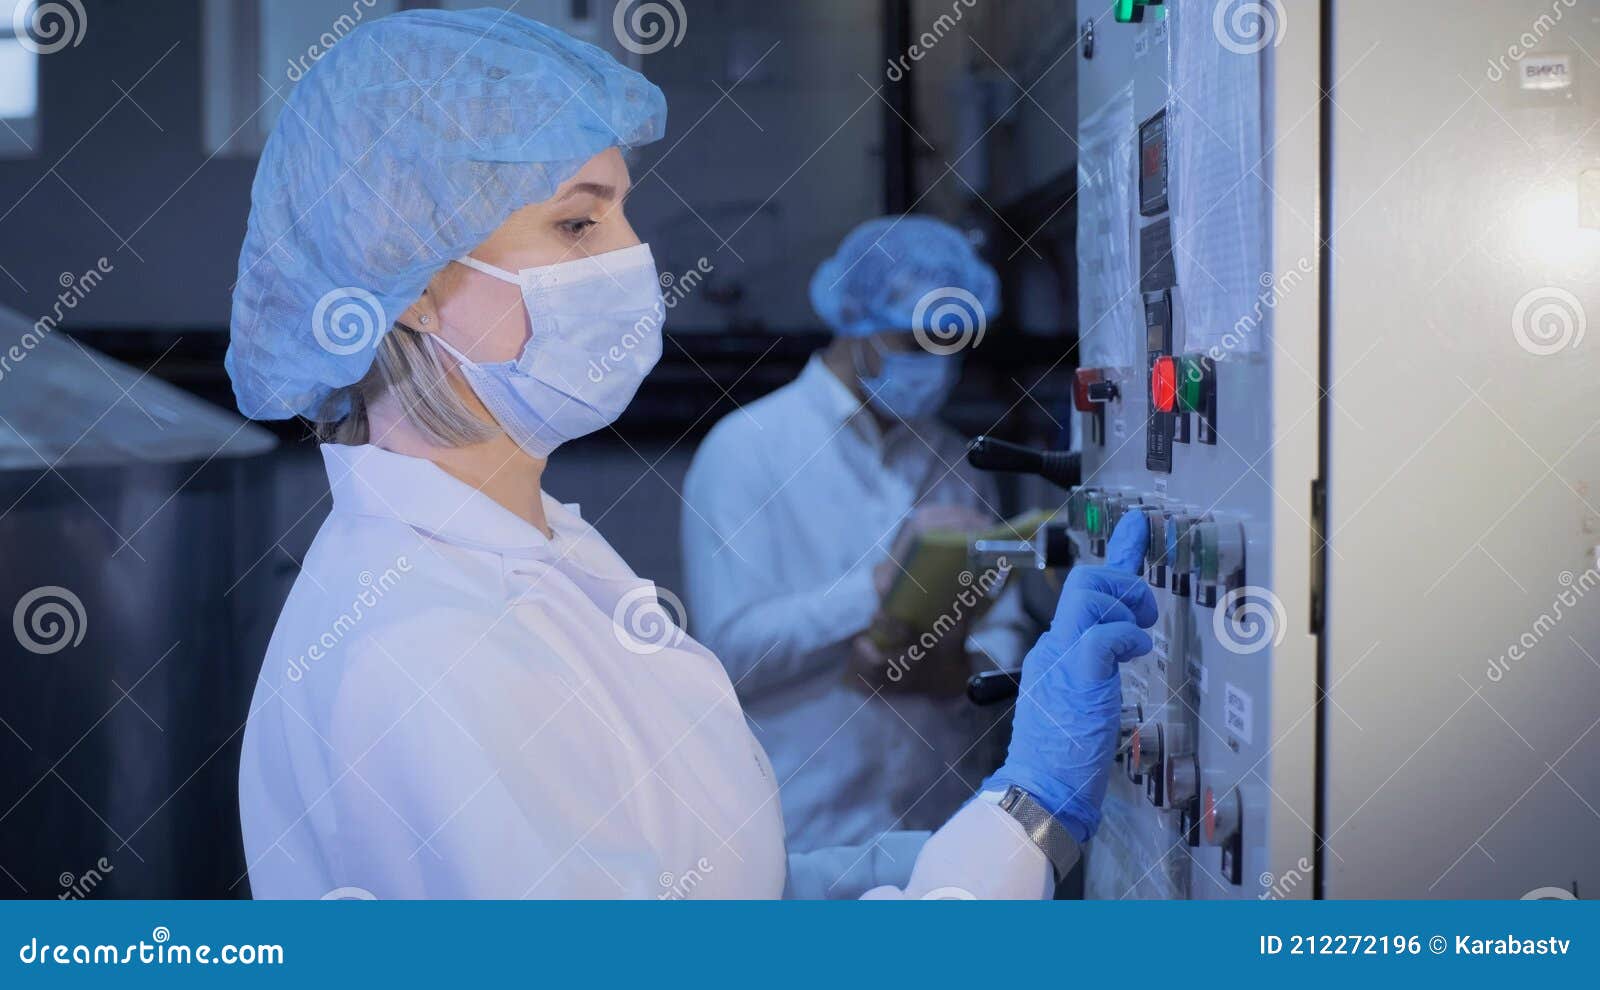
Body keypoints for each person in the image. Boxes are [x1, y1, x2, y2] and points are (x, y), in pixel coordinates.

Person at [230, 8, 1155, 900]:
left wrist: (912, 862)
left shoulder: (536, 556)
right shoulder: (425, 649)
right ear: (409, 286)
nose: (635, 259)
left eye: (623, 215)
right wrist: (1030, 818)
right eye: (578, 223)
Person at [680, 217, 1034, 852]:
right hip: (807, 839)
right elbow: (732, 655)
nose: (937, 365)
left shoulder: (954, 459)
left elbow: (1005, 625)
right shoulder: (748, 449)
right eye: (916, 341)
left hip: (940, 835)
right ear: (853, 319)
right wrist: (878, 591)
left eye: (952, 345)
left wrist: (959, 672)